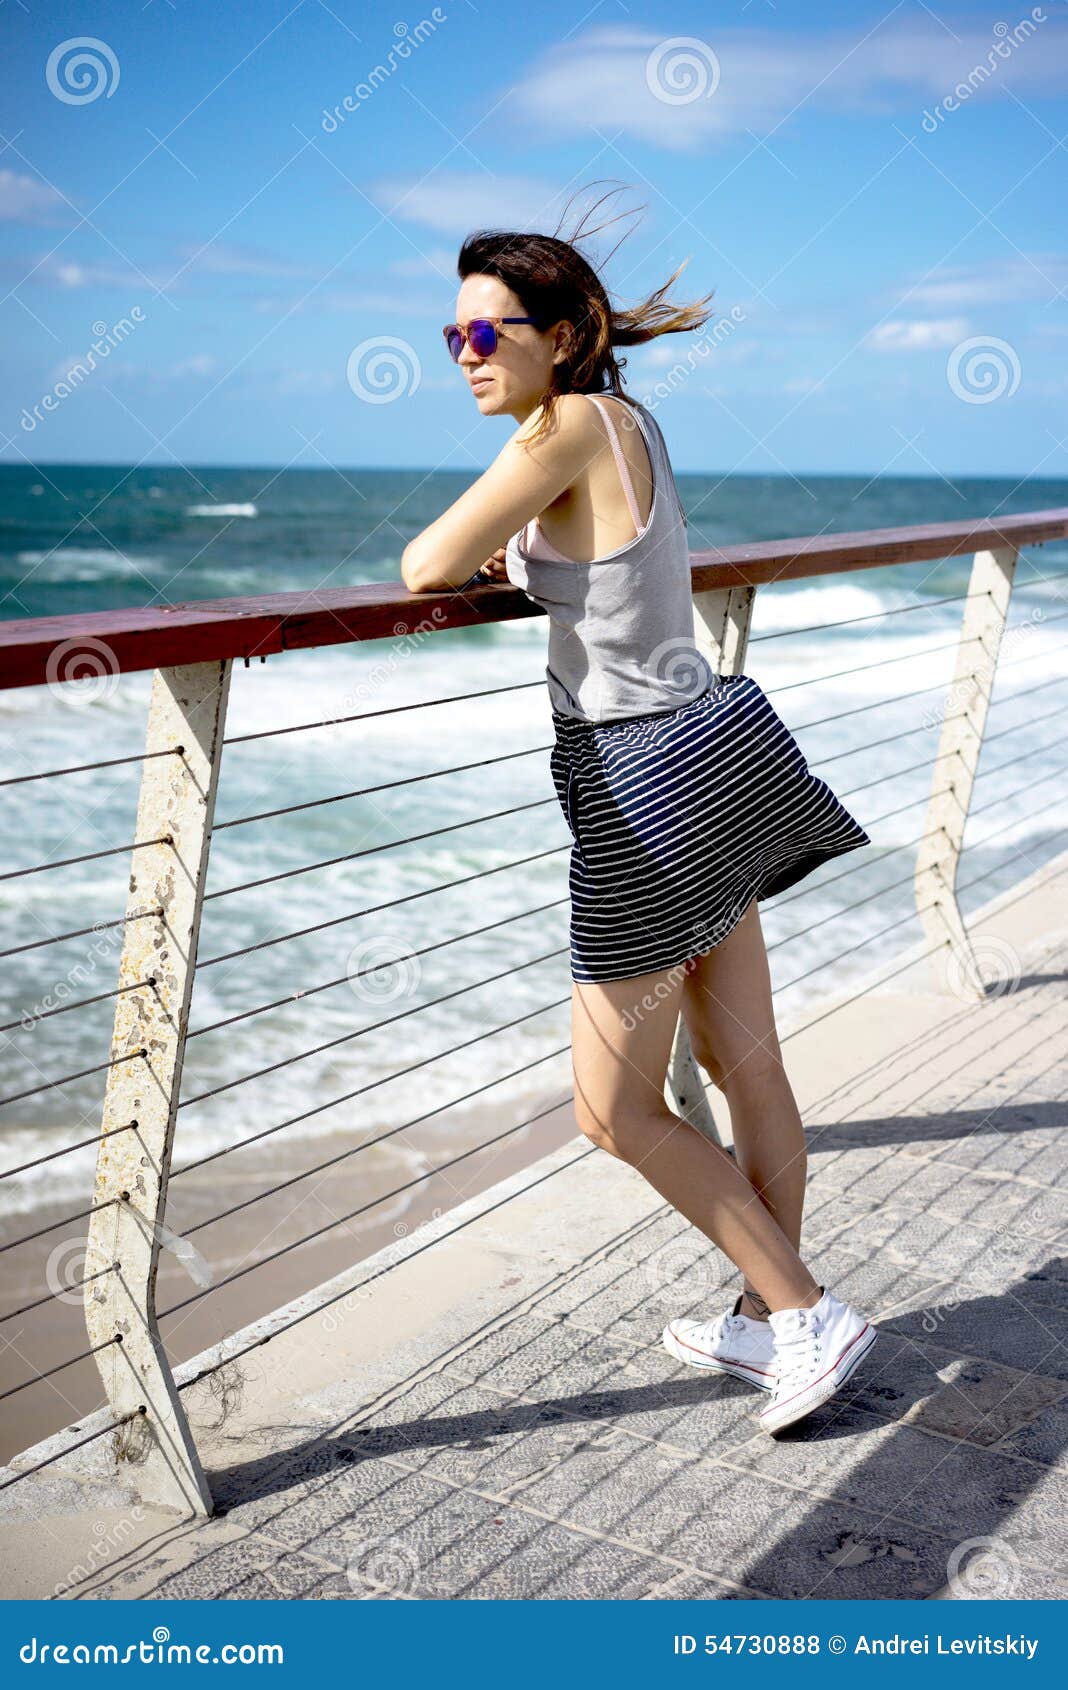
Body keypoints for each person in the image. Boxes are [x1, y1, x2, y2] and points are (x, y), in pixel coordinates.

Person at [400, 195, 877, 1435]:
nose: (466, 359)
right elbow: (588, 565)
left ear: (562, 336)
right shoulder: (628, 421)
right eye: (450, 338)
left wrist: (502, 549)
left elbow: (424, 566)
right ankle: (766, 1317)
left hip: (640, 789)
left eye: (486, 336)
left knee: (612, 1109)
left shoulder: (559, 424)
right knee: (743, 1064)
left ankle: (807, 1309)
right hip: (710, 750)